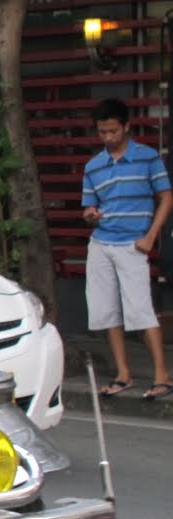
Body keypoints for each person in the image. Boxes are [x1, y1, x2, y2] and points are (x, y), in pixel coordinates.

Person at [81, 98, 172, 400]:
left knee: (141, 311)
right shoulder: (93, 166)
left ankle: (162, 376)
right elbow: (89, 208)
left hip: (133, 244)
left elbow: (166, 197)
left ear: (126, 126)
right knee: (107, 312)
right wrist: (91, 216)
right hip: (101, 244)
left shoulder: (147, 158)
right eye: (102, 132)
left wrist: (150, 236)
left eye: (112, 131)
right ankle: (123, 374)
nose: (108, 137)